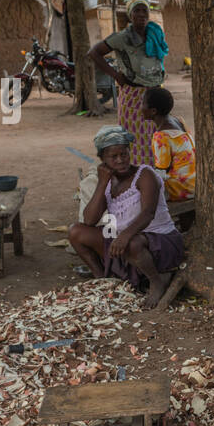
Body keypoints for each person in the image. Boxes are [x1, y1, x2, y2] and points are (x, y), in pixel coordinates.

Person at [69, 125, 184, 309]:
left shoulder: (145, 175)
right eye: (113, 157)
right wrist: (103, 182)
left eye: (124, 154)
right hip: (124, 243)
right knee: (75, 231)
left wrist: (125, 236)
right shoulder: (107, 181)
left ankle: (156, 282)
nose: (121, 160)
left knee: (132, 243)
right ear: (102, 160)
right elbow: (89, 220)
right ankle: (103, 279)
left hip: (158, 241)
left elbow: (148, 213)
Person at [89, 0, 167, 167]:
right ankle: (137, 178)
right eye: (136, 10)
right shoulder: (122, 38)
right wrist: (116, 76)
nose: (141, 14)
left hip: (155, 93)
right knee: (136, 139)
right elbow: (94, 52)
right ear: (130, 15)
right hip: (134, 95)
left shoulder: (155, 34)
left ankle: (155, 177)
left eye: (144, 10)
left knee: (155, 137)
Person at [144, 87, 195, 202]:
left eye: (143, 104)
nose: (140, 108)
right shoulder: (179, 121)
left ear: (153, 111)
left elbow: (161, 171)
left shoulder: (161, 136)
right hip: (194, 182)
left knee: (141, 185)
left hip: (182, 188)